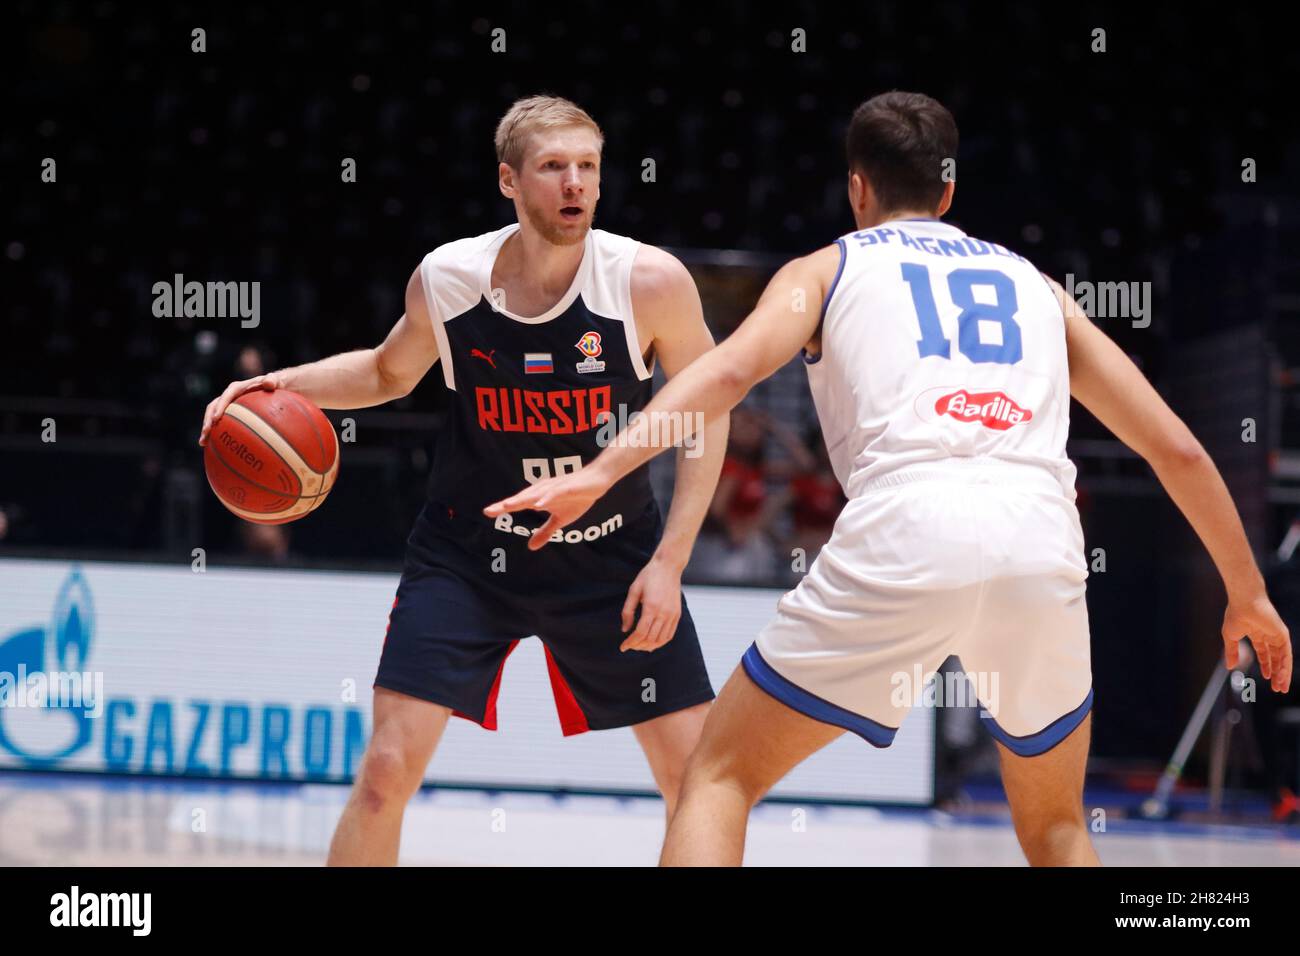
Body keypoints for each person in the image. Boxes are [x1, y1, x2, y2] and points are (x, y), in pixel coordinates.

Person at [485, 90, 1293, 866]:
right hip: (1040, 539)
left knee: (718, 778)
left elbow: (726, 375)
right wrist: (1247, 591)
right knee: (1055, 827)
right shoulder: (1039, 287)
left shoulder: (824, 270)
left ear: (857, 187)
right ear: (949, 189)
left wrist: (601, 469)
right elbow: (1179, 450)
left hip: (909, 525)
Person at [199, 95, 727, 865]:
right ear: (509, 181)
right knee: (384, 771)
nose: (574, 183)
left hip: (613, 556)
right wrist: (278, 385)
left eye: (588, 167)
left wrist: (672, 560)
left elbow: (706, 412)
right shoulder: (451, 277)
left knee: (695, 780)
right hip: (468, 553)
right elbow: (385, 371)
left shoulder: (648, 282)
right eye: (553, 168)